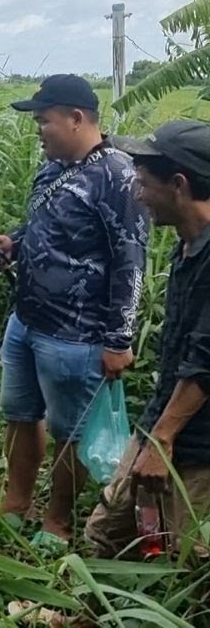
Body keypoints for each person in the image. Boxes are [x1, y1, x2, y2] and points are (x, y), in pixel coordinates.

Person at [0, 74, 149, 548]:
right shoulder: (53, 168)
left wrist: (118, 340)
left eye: (45, 120)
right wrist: (13, 244)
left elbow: (131, 261)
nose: (39, 129)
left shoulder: (117, 176)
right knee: (19, 413)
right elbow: (46, 224)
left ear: (77, 119)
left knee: (69, 433)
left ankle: (58, 521)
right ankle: (17, 503)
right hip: (28, 319)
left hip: (77, 333)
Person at [85, 120, 210, 558]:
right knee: (110, 530)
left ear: (179, 184)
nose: (137, 195)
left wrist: (161, 441)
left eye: (143, 184)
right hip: (164, 424)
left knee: (186, 560)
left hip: (196, 442)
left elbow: (206, 362)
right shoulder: (187, 245)